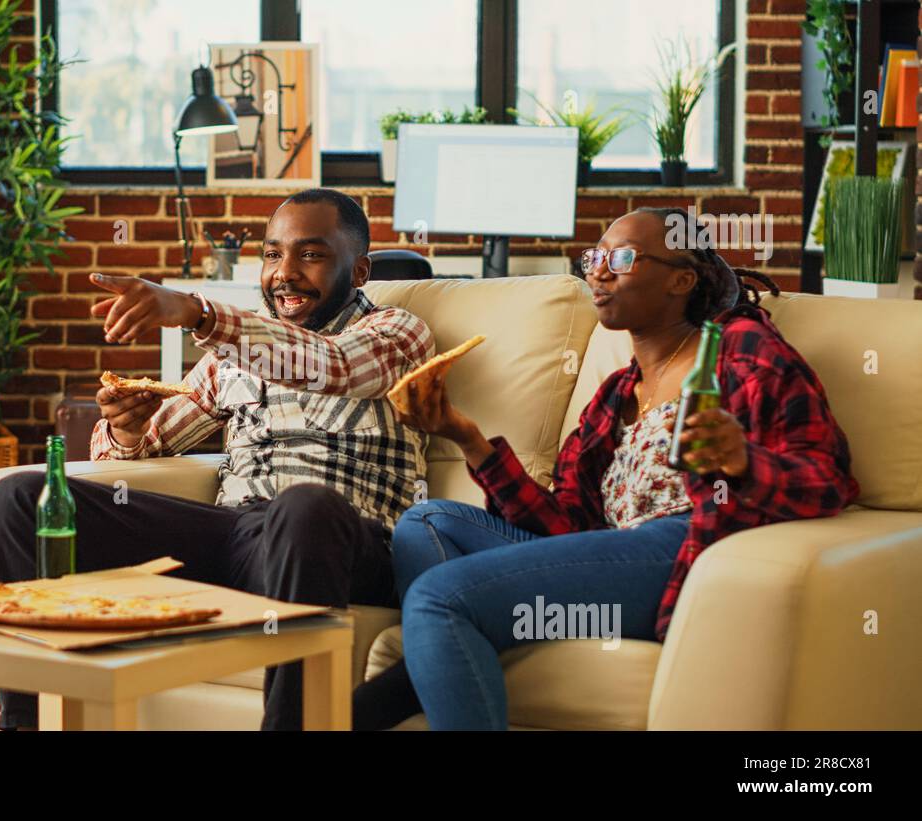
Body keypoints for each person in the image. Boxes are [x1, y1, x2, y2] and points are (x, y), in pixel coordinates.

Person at [352, 207, 859, 731]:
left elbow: (826, 479)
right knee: (425, 522)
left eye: (622, 258)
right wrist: (466, 436)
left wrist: (744, 463)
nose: (599, 270)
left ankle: (361, 707)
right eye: (595, 257)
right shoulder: (616, 394)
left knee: (440, 598)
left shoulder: (740, 349)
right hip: (610, 558)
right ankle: (449, 653)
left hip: (682, 548)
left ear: (681, 280)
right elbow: (563, 525)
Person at [0, 188, 434, 730]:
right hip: (240, 538)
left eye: (310, 255)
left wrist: (194, 311)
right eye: (272, 254)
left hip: (345, 544)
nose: (284, 273)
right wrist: (127, 427)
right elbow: (137, 449)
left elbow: (332, 367)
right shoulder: (232, 361)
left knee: (304, 508)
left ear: (359, 271)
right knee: (19, 497)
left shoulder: (397, 333)